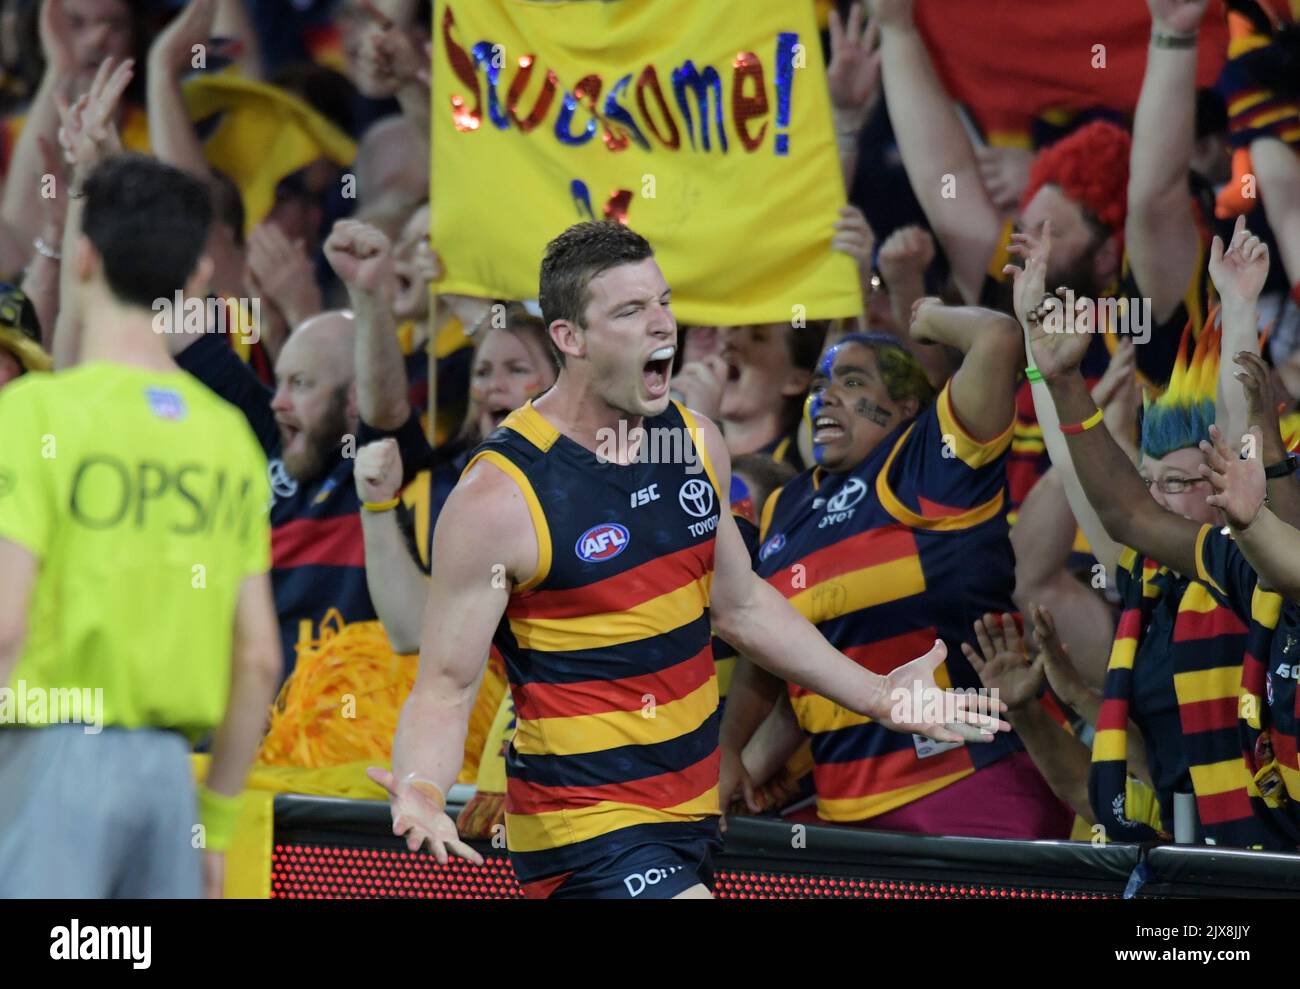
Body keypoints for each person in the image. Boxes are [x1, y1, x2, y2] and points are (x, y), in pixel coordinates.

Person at [368, 220, 1008, 900]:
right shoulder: (498, 496)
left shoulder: (696, 441)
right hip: (583, 830)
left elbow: (742, 606)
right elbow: (443, 686)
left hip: (692, 819)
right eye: (630, 311)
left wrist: (882, 695)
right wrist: (422, 786)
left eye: (664, 302)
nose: (662, 326)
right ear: (570, 338)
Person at [0, 60, 279, 897]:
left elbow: (4, 623)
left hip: (45, 764)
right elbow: (260, 659)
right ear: (198, 276)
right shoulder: (227, 435)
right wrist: (218, 822)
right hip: (171, 783)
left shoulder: (36, 415)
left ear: (81, 260)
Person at [724, 303, 1074, 840]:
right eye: (820, 384)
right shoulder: (785, 507)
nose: (826, 395)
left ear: (908, 405)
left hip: (971, 788)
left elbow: (998, 336)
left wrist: (927, 316)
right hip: (842, 819)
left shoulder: (932, 462)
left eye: (853, 380)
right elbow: (789, 672)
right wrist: (737, 760)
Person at [1024, 215, 1300, 847]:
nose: (1156, 495)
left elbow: (1243, 437)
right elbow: (1079, 473)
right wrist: (1044, 366)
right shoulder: (1148, 578)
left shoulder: (1252, 578)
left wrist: (1238, 304)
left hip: (1265, 864)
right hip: (1175, 862)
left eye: (1178, 482)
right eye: (1150, 479)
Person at [168, 216, 433, 676]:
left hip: (339, 735)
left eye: (301, 384)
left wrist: (367, 295)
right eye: (282, 381)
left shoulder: (376, 467)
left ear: (353, 400)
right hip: (237, 727)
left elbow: (386, 408)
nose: (280, 401)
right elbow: (175, 332)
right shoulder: (270, 437)